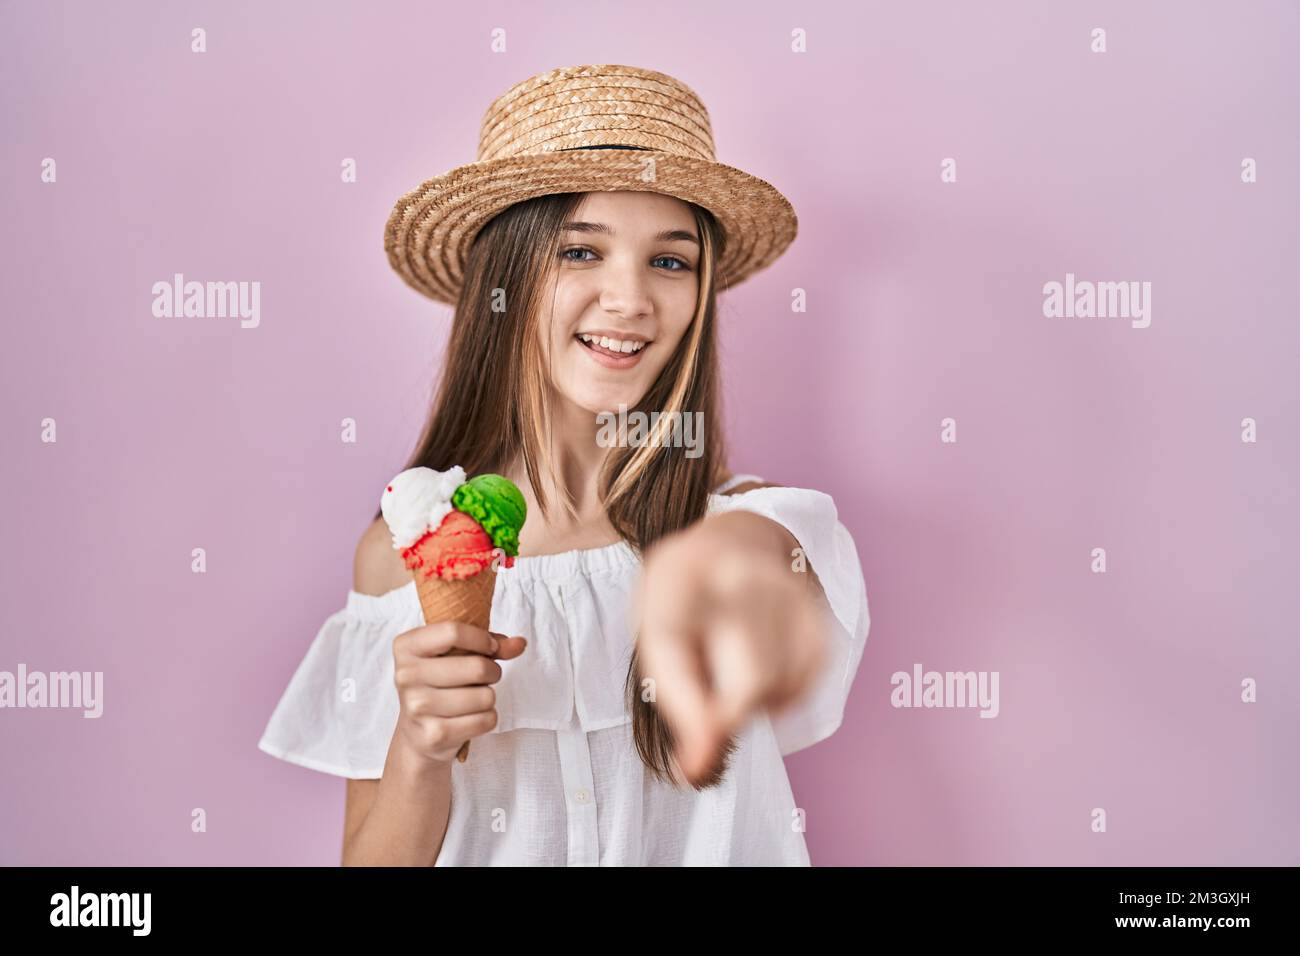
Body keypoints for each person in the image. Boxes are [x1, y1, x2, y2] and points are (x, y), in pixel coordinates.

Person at [257, 63, 870, 866]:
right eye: (581, 251)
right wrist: (418, 746)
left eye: (671, 260)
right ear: (504, 279)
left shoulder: (748, 533)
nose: (630, 299)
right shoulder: (404, 554)